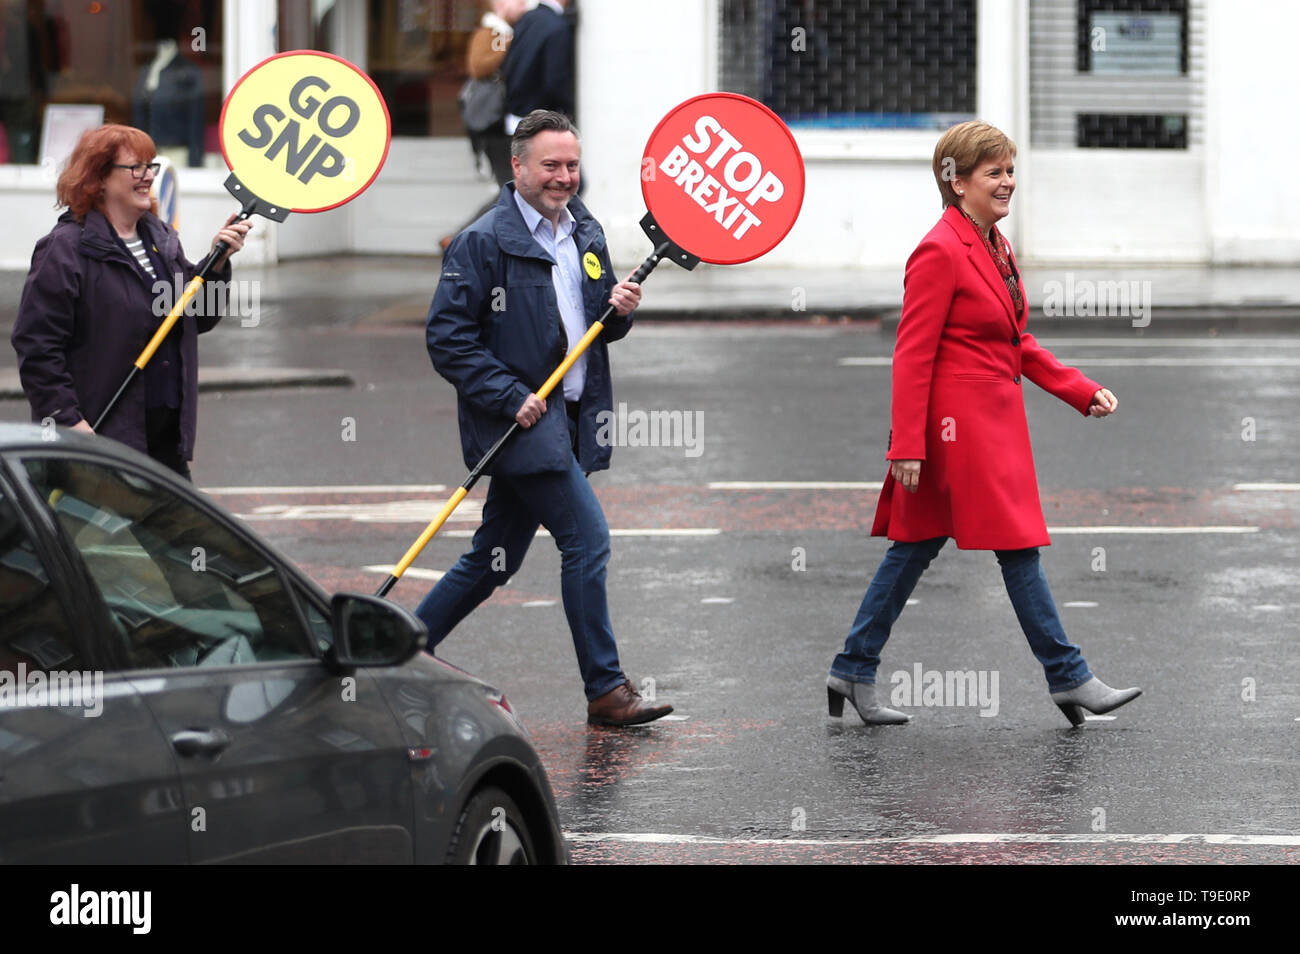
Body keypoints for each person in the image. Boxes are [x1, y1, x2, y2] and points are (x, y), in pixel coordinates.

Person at [826, 120, 1141, 728]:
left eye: (1010, 170)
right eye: (994, 172)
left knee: (913, 550)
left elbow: (1016, 341)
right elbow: (912, 354)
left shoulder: (993, 243)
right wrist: (909, 446)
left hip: (988, 425)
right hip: (956, 435)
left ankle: (853, 667)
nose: (1008, 183)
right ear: (957, 180)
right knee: (1018, 547)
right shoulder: (941, 249)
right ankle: (1069, 677)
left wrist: (1079, 388)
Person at [421, 109, 672, 727]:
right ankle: (607, 690)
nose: (563, 177)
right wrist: (509, 395)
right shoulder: (483, 241)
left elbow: (596, 326)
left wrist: (619, 311)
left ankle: (398, 646)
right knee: (587, 541)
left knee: (492, 557)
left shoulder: (583, 229)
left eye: (572, 165)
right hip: (525, 427)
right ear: (518, 167)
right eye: (551, 165)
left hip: (572, 418)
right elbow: (447, 339)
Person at [11, 124, 250, 479]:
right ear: (100, 178)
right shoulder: (65, 250)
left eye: (150, 166)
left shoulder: (161, 239)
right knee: (103, 537)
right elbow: (37, 347)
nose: (148, 177)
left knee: (190, 536)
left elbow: (194, 318)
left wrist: (216, 264)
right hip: (103, 443)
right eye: (135, 167)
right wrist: (68, 422)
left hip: (164, 445)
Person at [441, 0, 527, 253]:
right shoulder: (492, 33)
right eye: (519, 2)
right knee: (511, 190)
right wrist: (509, 46)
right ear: (500, 5)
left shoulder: (502, 32)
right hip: (493, 127)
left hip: (501, 125)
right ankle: (459, 237)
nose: (524, 6)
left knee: (512, 189)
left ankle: (464, 238)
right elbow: (478, 67)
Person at [501, 0, 574, 133]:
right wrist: (569, 110)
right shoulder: (558, 26)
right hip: (541, 124)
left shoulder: (527, 19)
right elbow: (556, 81)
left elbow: (508, 64)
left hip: (516, 115)